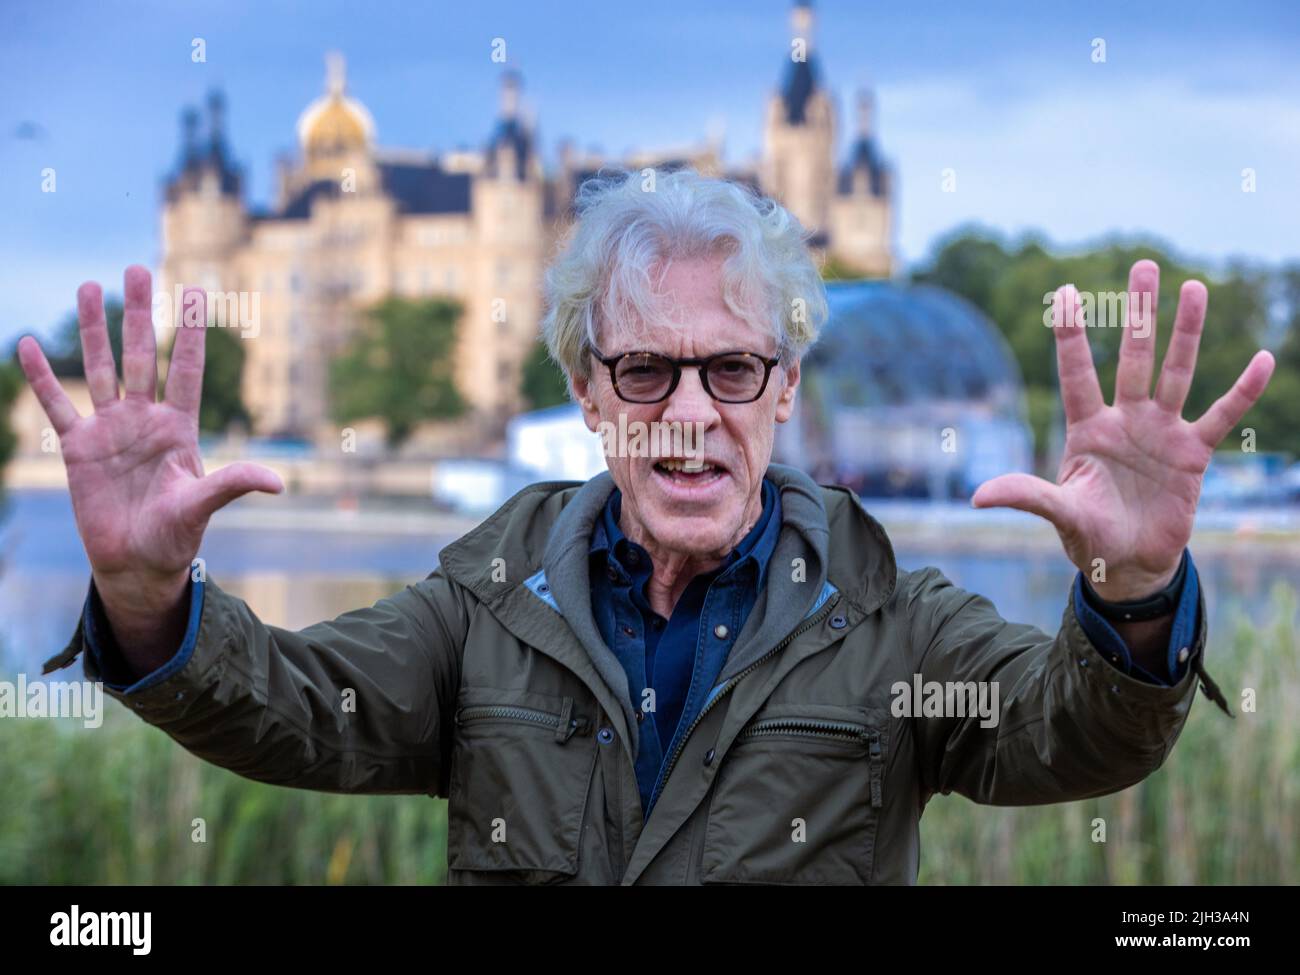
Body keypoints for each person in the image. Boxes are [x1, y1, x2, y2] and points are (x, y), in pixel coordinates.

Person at [21, 169, 1274, 885]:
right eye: (643, 373)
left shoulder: (891, 618)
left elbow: (1072, 738)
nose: (687, 414)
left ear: (785, 388)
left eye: (731, 370)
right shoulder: (484, 597)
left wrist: (1133, 588)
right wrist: (145, 593)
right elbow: (298, 710)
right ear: (584, 391)